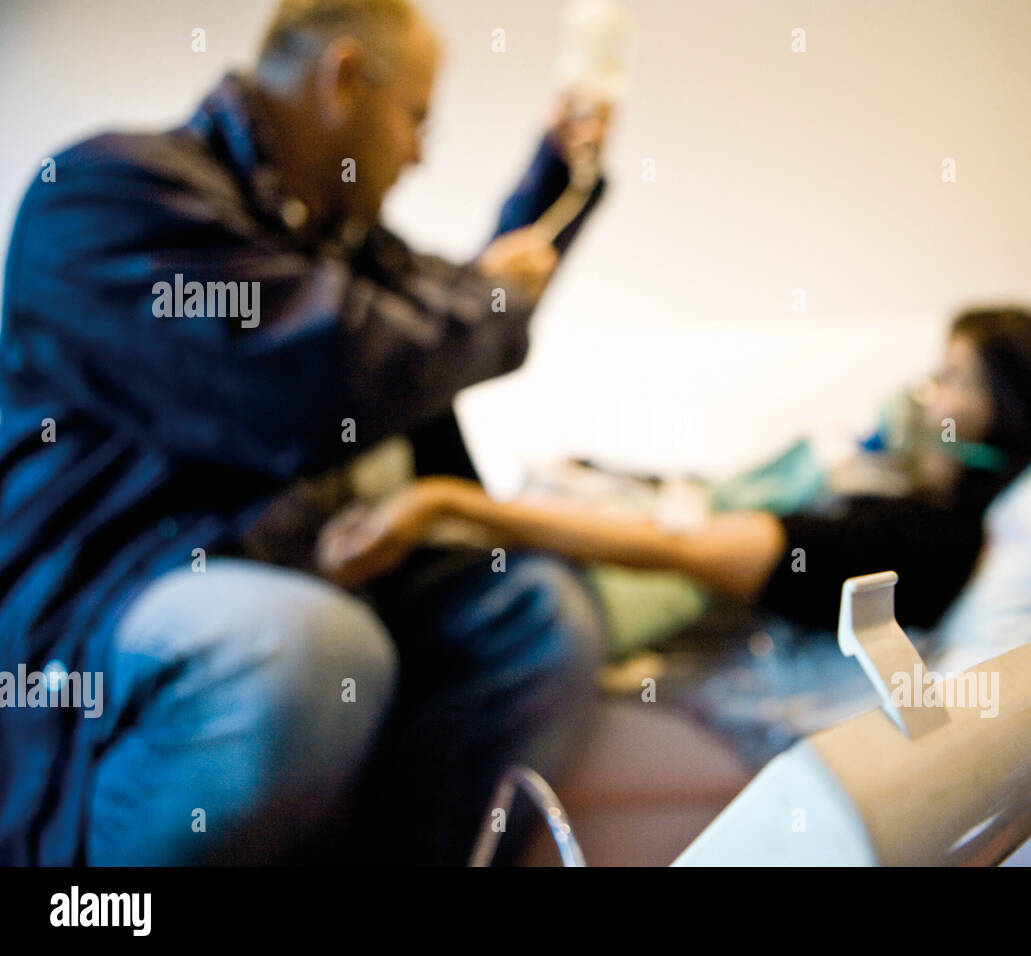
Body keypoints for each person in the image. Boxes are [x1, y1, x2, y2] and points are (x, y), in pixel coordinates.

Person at [0, 0, 612, 865]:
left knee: (538, 612)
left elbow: (441, 313)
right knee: (304, 648)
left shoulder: (335, 243)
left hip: (301, 573)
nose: (420, 153)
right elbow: (321, 374)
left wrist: (557, 180)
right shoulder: (107, 195)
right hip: (102, 602)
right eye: (416, 118)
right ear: (345, 78)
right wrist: (487, 296)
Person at [317, 308, 1031, 639]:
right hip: (590, 527)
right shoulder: (891, 492)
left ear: (1009, 412)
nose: (922, 393)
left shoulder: (916, 538)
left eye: (953, 379)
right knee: (409, 393)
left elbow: (678, 547)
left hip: (601, 594)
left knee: (402, 409)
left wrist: (450, 502)